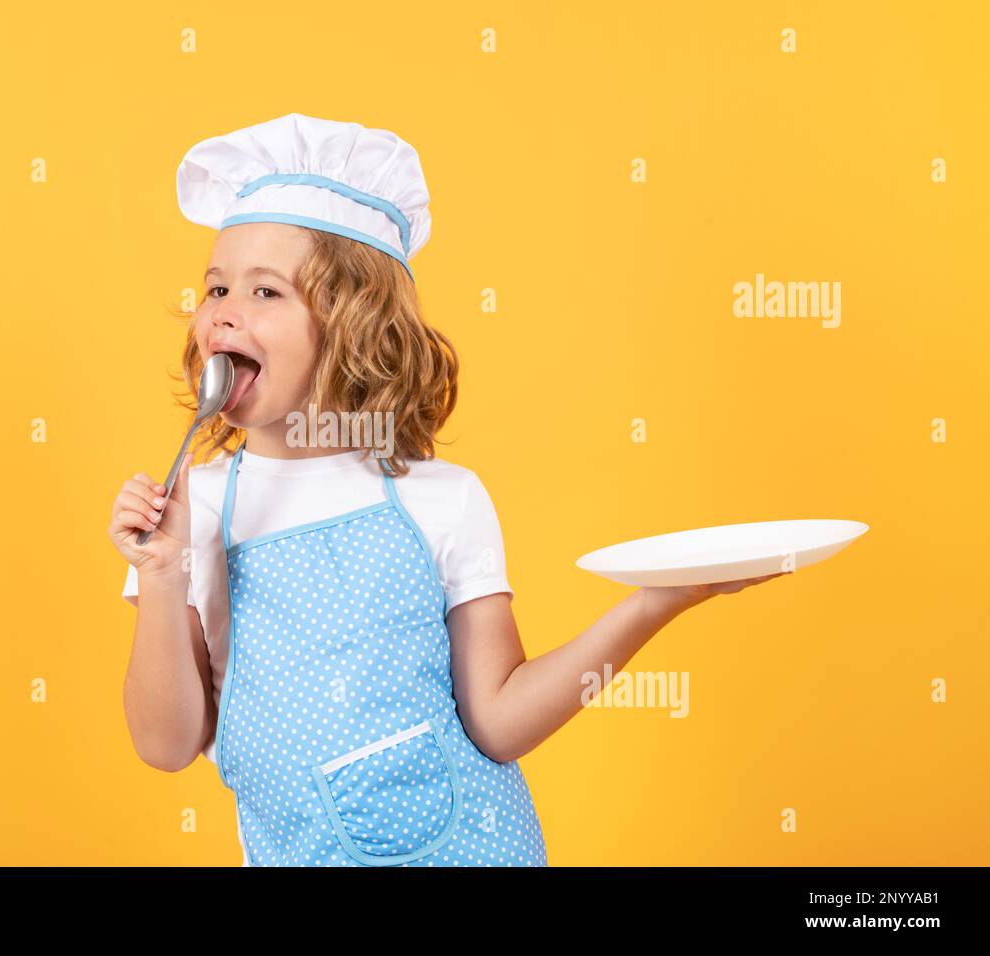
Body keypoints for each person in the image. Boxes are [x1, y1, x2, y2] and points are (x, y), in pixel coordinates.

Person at [108, 113, 783, 866]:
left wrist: (661, 600)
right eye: (216, 287)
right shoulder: (188, 514)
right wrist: (161, 575)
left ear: (352, 327)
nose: (224, 310)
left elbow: (497, 720)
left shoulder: (439, 499)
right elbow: (165, 745)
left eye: (267, 292)